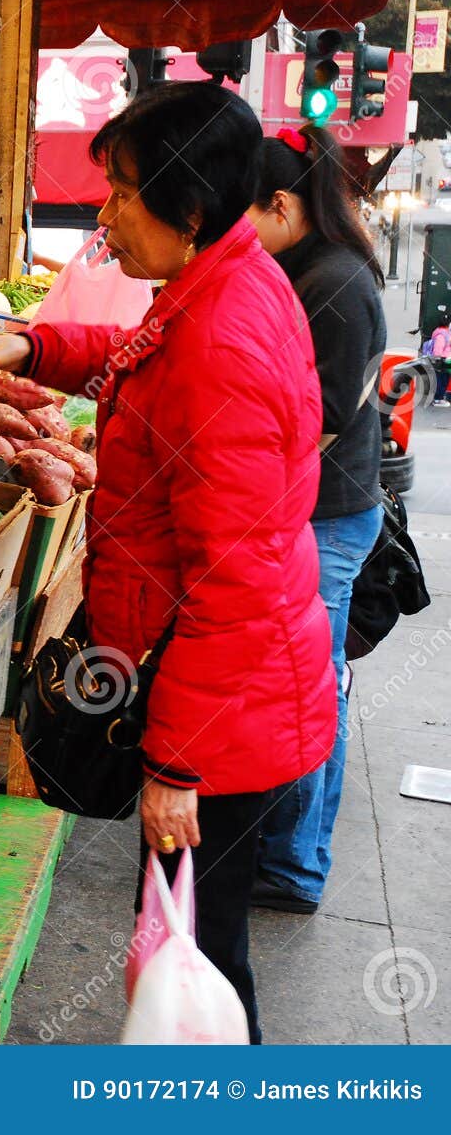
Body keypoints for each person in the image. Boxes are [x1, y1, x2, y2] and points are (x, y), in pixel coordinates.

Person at [0, 82, 334, 1042]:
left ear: (188, 207)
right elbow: (142, 355)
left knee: (194, 953)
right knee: (179, 939)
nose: (105, 215)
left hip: (229, 711)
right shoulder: (223, 280)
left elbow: (228, 581)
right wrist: (37, 347)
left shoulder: (225, 339)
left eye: (121, 191)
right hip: (233, 692)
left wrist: (177, 766)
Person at [246, 126, 387, 914]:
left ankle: (295, 862)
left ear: (283, 204)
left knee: (311, 687)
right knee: (303, 682)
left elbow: (321, 418)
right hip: (315, 512)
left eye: (247, 216)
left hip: (325, 518)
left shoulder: (332, 283)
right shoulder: (308, 268)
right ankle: (282, 847)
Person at [429, 315, 451, 406]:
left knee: (443, 379)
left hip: (443, 360)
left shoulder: (441, 332)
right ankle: (438, 399)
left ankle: (439, 398)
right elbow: (437, 351)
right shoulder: (442, 335)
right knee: (442, 380)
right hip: (443, 361)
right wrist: (444, 358)